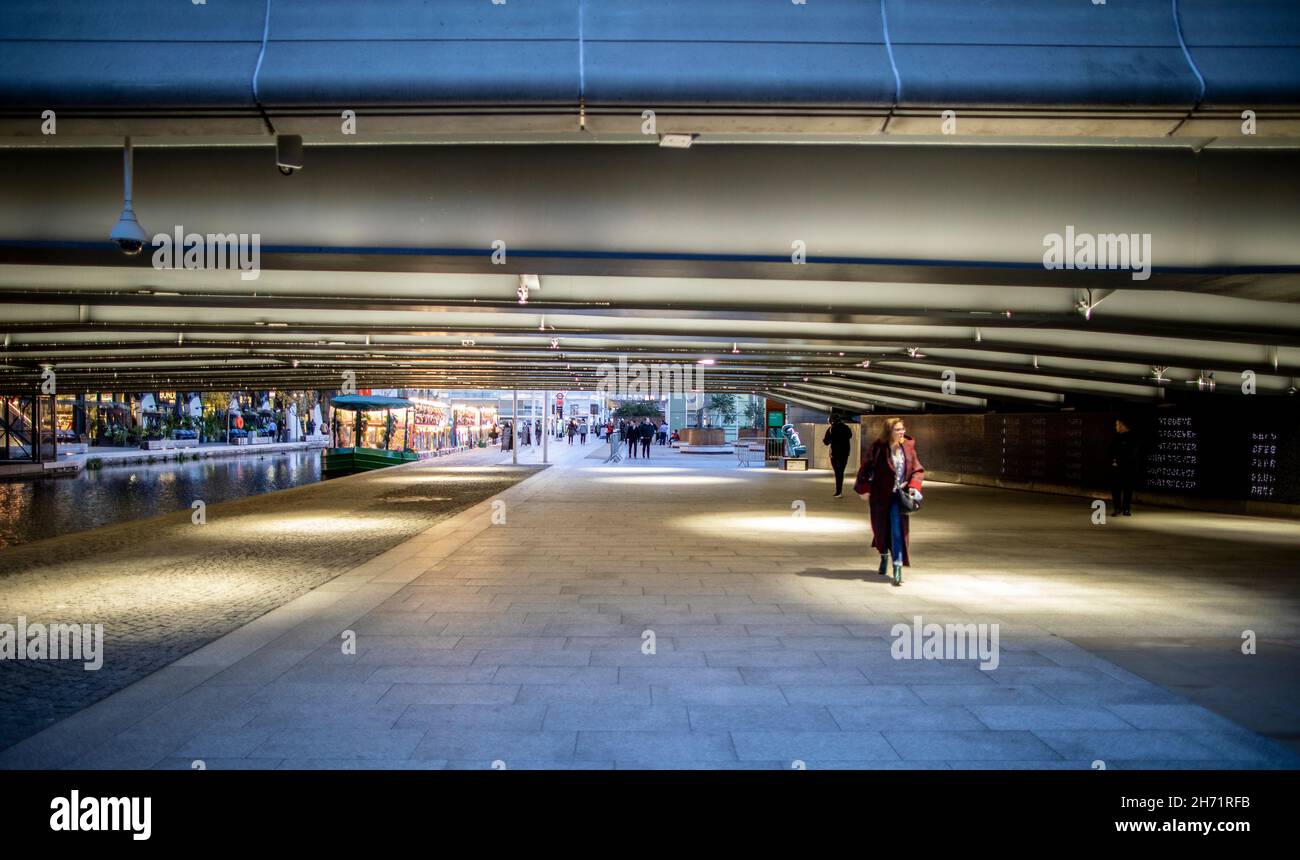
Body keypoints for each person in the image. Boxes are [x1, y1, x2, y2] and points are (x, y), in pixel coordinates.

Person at [854, 416, 924, 587]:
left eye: (902, 429)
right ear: (889, 431)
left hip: (899, 496)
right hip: (880, 496)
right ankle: (884, 555)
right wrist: (864, 488)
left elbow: (917, 470)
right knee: (880, 529)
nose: (902, 432)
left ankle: (897, 566)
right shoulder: (878, 447)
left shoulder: (908, 447)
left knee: (898, 530)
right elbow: (865, 468)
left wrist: (914, 487)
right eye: (897, 429)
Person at [1107, 417, 1139, 516]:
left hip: (1129, 467)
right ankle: (1117, 508)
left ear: (1122, 425)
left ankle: (1126, 508)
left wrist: (1120, 460)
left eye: (1117, 425)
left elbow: (1133, 453)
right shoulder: (1116, 437)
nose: (1116, 427)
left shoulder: (1133, 437)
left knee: (1128, 489)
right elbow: (1110, 451)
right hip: (1117, 467)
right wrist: (1113, 461)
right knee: (1115, 488)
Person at [823, 414, 854, 498]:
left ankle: (838, 491)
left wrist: (832, 438)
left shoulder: (831, 429)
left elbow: (826, 442)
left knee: (837, 472)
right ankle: (839, 491)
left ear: (831, 421)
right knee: (841, 472)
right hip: (845, 453)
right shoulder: (846, 428)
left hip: (834, 454)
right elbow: (850, 436)